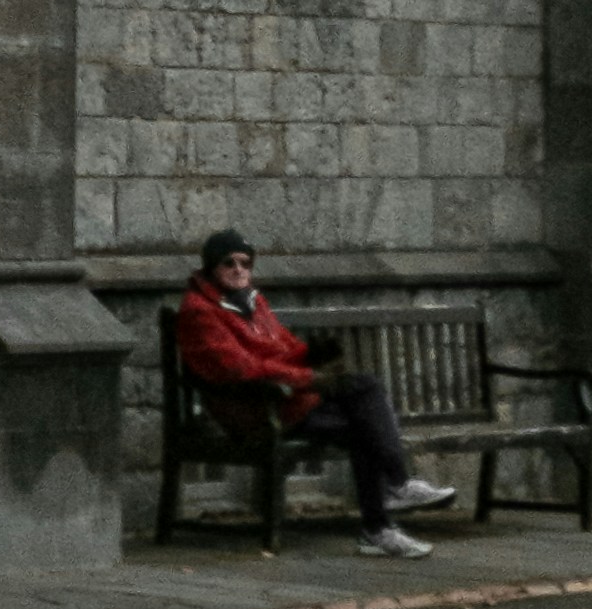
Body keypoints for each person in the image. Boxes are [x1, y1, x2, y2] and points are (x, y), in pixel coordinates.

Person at [171, 234, 460, 552]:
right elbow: (242, 369)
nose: (239, 269)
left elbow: (282, 347)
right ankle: (389, 504)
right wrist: (310, 377)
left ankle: (385, 513)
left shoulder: (252, 300)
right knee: (364, 412)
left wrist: (310, 355)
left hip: (287, 400)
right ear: (212, 267)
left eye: (245, 262)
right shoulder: (200, 312)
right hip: (255, 412)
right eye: (229, 263)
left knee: (364, 397)